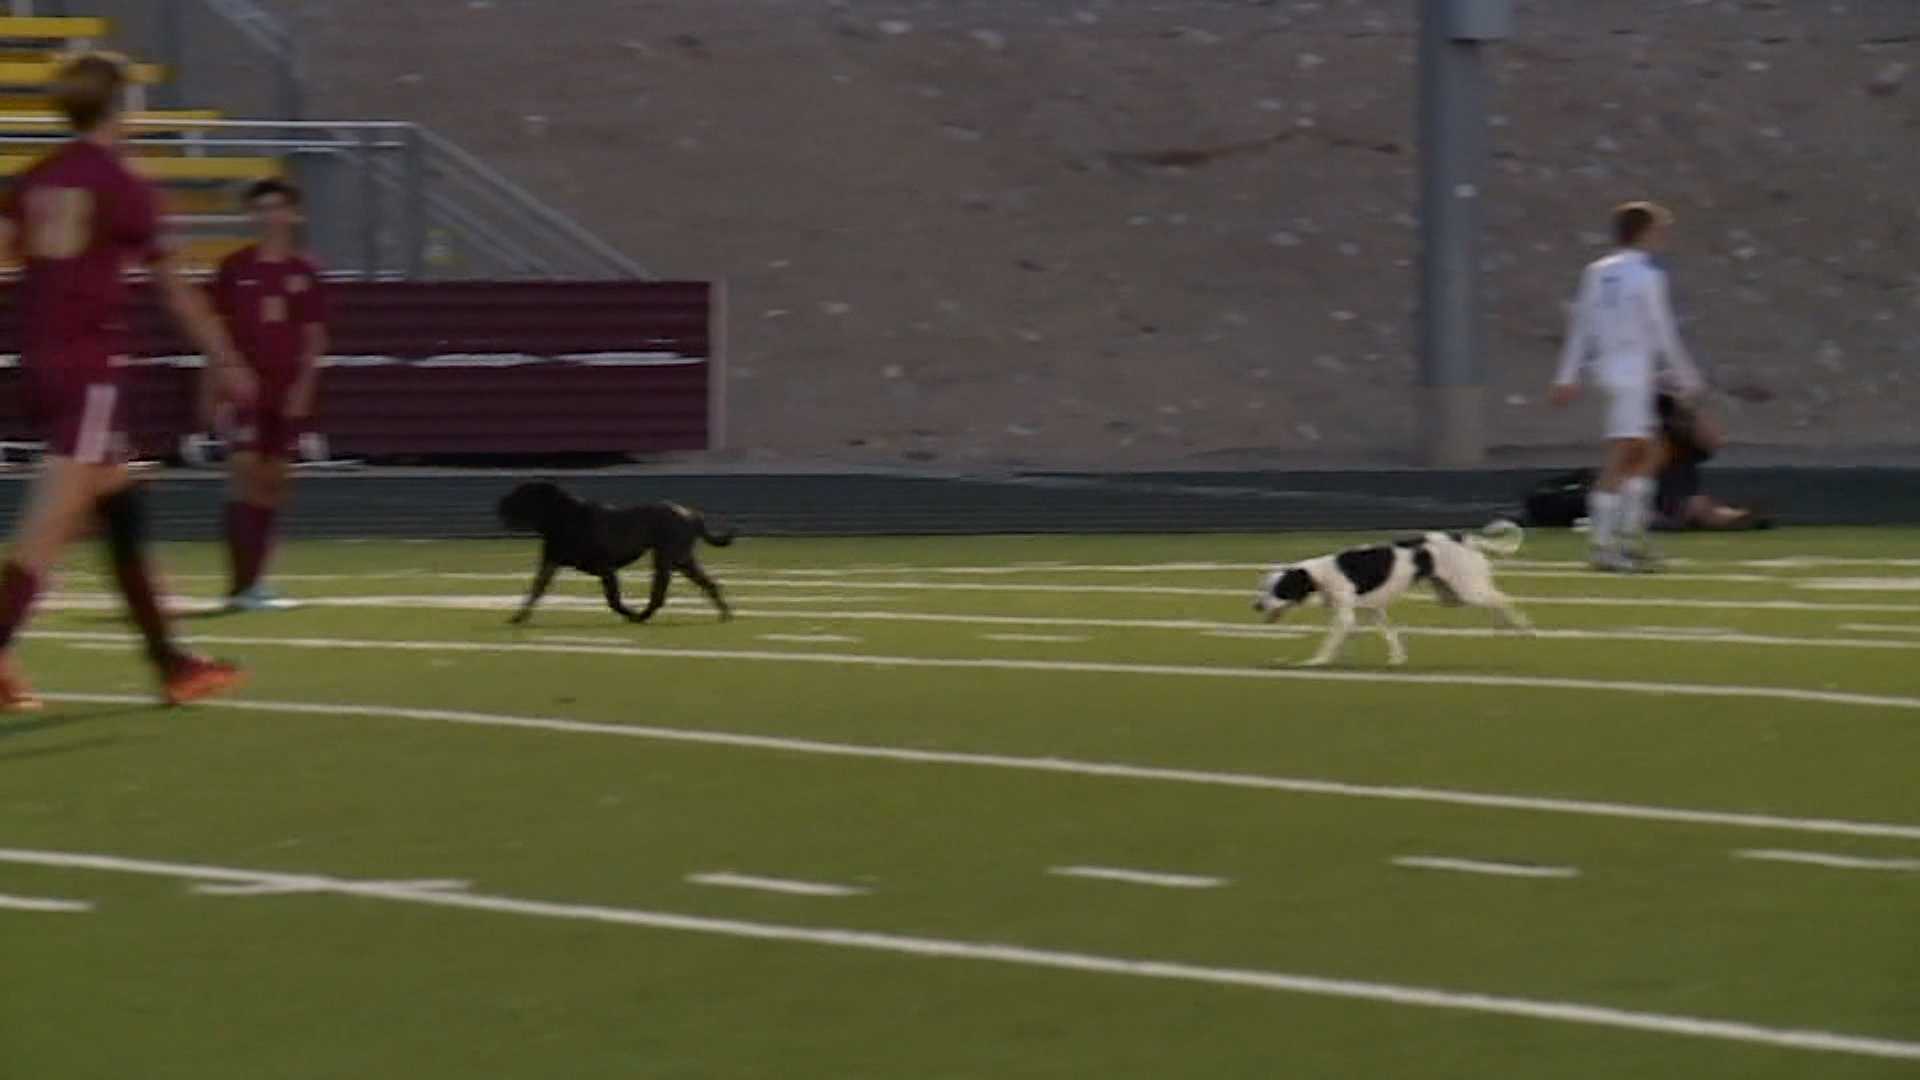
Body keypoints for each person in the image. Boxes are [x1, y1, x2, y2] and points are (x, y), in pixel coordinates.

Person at [0, 54, 256, 710]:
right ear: (121, 107)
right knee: (47, 533)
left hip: (40, 367)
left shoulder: (35, 180)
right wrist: (226, 357)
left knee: (122, 507)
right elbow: (176, 291)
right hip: (88, 374)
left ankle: (172, 660)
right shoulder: (125, 185)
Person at [1549, 201, 1706, 572]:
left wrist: (1567, 375)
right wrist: (1686, 376)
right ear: (1645, 233)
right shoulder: (1647, 275)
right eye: (1659, 231)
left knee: (1649, 451)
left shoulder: (1597, 271)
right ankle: (1607, 545)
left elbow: (1581, 326)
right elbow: (1662, 329)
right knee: (1624, 458)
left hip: (1610, 372)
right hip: (1632, 373)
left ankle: (1629, 535)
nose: (1663, 238)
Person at [207, 178, 327, 610]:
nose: (269, 216)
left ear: (294, 215)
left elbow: (314, 340)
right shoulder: (234, 268)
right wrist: (218, 388)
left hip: (286, 392)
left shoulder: (305, 271)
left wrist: (303, 390)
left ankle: (255, 583)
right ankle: (239, 586)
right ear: (252, 215)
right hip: (245, 390)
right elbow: (215, 333)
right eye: (262, 208)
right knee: (243, 476)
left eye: (278, 207)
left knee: (275, 484)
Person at [1653, 393, 1771, 531]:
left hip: (1683, 501)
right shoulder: (1643, 433)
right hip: (1654, 504)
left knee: (1697, 505)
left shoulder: (1680, 430)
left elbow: (1713, 442)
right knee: (1695, 507)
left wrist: (1685, 407)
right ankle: (1727, 517)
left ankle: (1731, 516)